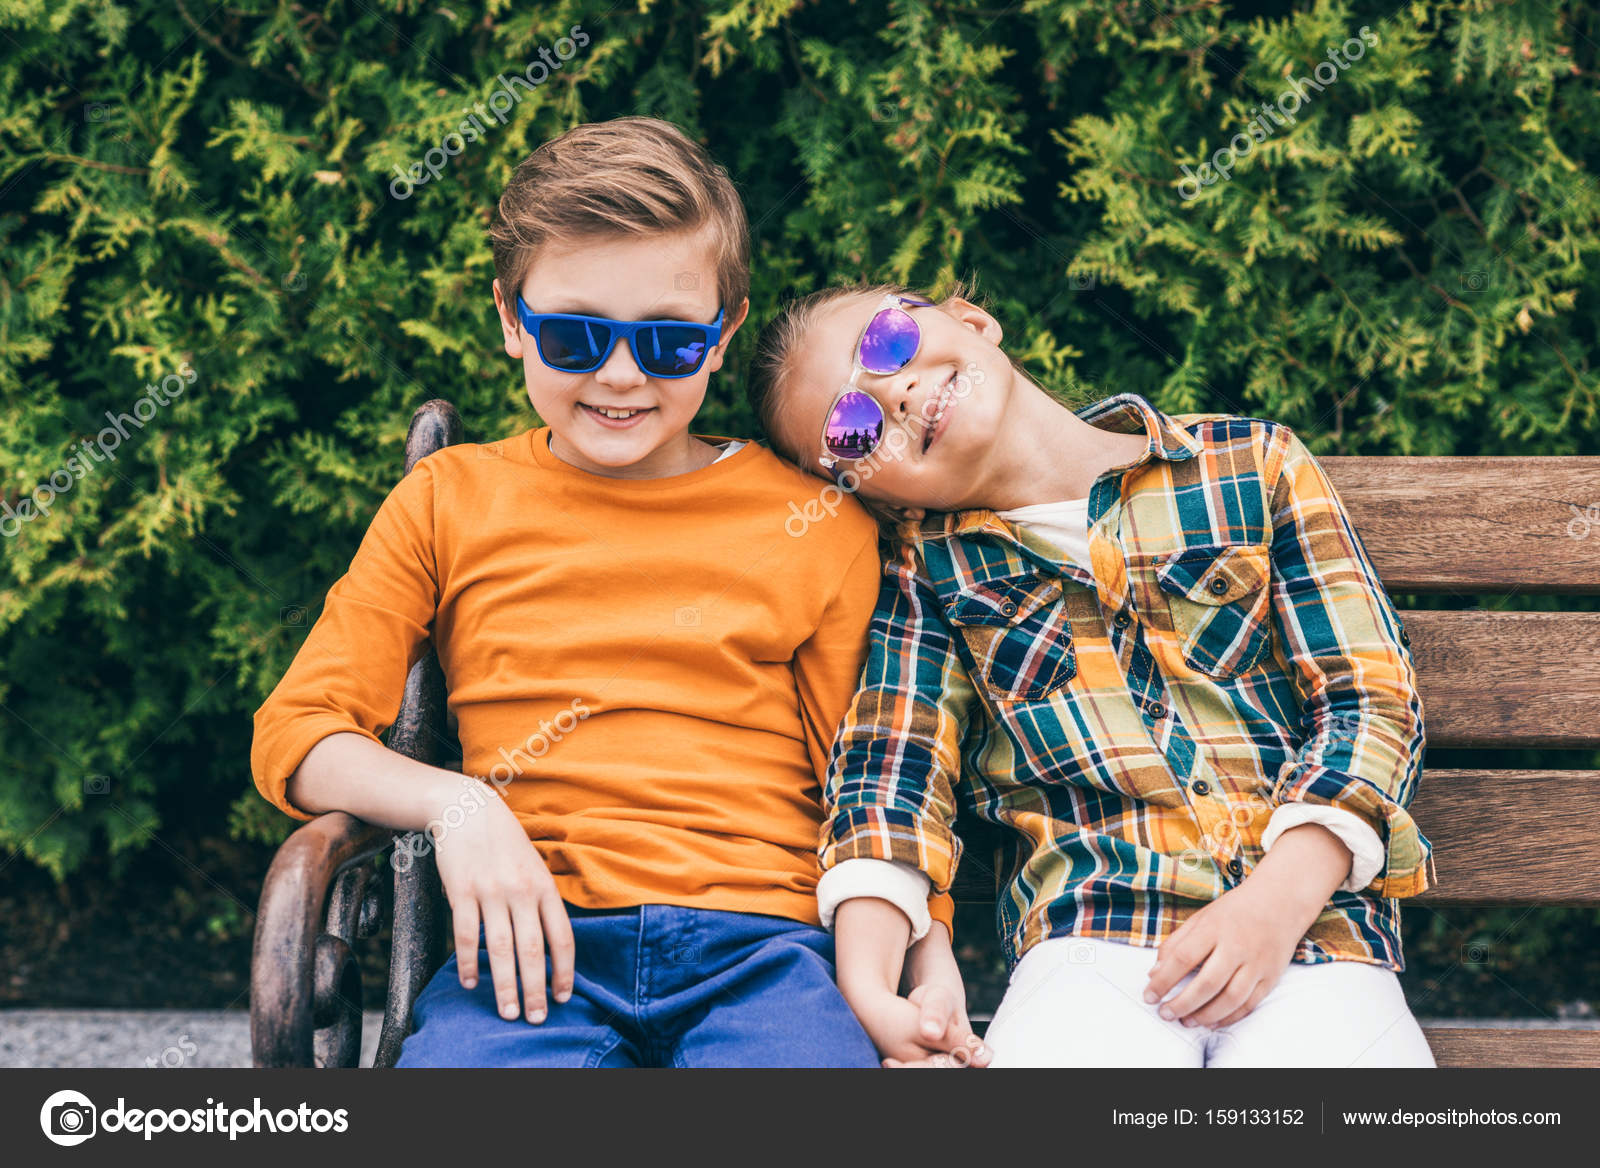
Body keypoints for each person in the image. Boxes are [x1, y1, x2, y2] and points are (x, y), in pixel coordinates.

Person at [250, 121, 973, 1068]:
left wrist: (928, 958)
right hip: (522, 956)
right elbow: (298, 733)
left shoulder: (819, 520)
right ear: (512, 319)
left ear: (723, 337)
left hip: (764, 952)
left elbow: (874, 780)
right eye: (576, 333)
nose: (622, 375)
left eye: (670, 341)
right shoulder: (450, 500)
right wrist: (458, 806)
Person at [745, 280, 1438, 1067]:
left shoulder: (1250, 466)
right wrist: (871, 989)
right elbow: (894, 774)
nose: (891, 394)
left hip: (1316, 936)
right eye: (852, 429)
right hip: (1090, 944)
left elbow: (1371, 698)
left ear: (971, 319)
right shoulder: (930, 574)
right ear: (875, 497)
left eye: (887, 343)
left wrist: (1279, 901)